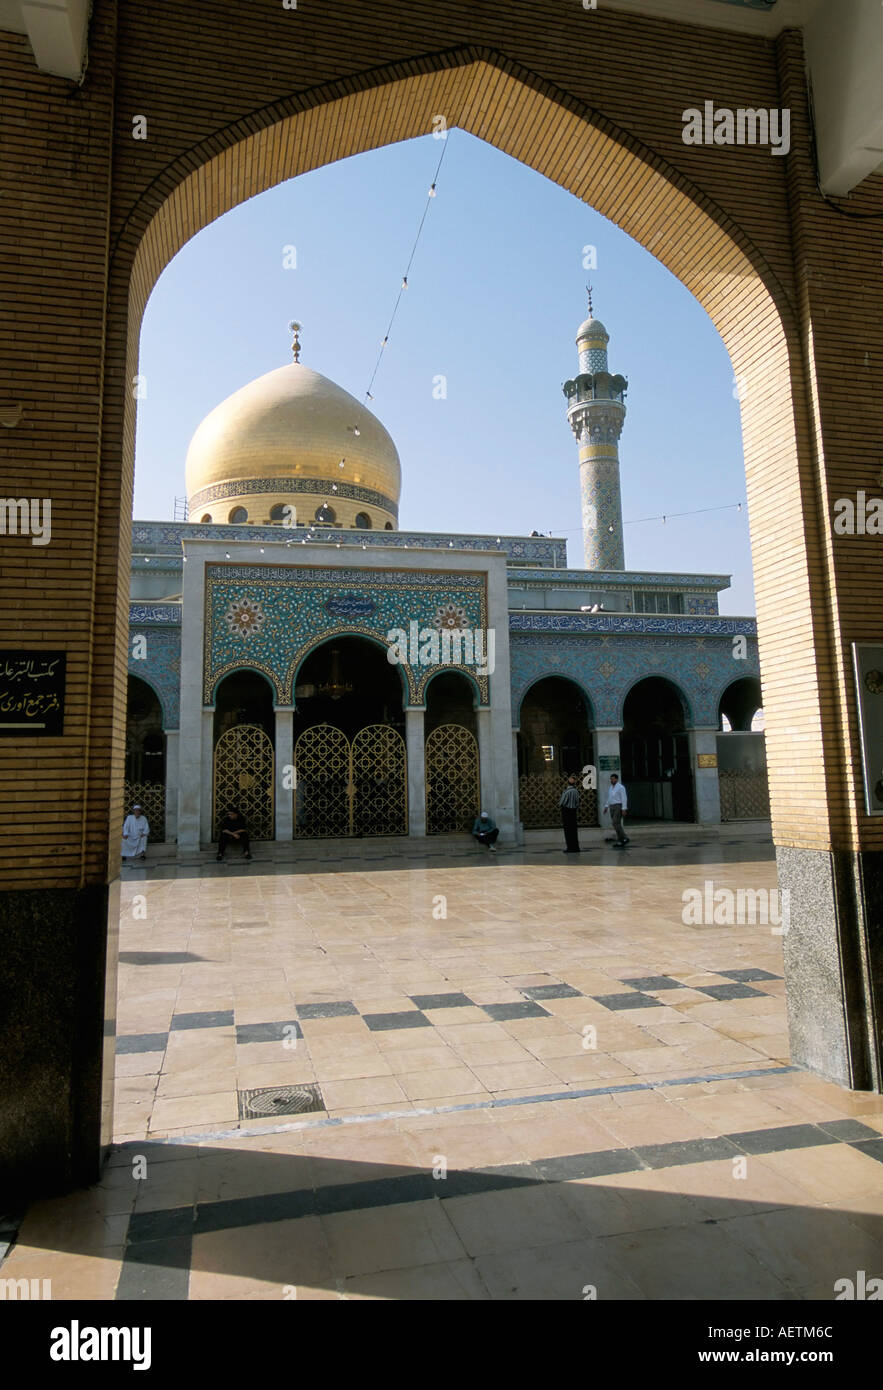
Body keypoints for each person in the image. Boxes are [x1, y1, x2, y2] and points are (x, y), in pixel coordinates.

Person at [604, 773, 629, 847]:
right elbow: (609, 798)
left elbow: (624, 798)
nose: (612, 780)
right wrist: (606, 806)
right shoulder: (611, 787)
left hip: (618, 806)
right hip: (612, 806)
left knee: (615, 822)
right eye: (611, 779)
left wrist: (624, 808)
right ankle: (621, 840)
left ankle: (624, 837)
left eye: (613, 779)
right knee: (617, 824)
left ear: (616, 779)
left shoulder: (621, 787)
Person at [559, 775, 581, 853]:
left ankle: (570, 848)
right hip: (573, 812)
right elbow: (578, 803)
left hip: (567, 812)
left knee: (568, 831)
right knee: (574, 830)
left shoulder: (566, 791)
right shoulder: (576, 791)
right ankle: (576, 847)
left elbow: (562, 802)